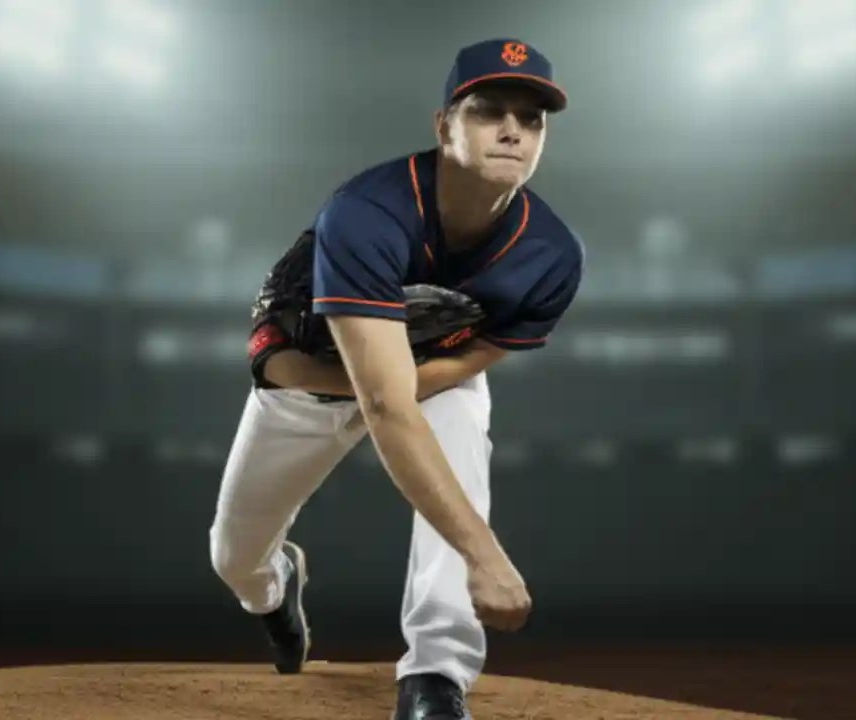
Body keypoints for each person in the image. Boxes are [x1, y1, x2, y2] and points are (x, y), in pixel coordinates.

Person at [208, 37, 583, 719]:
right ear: (444, 126)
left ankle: (436, 676)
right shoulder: (367, 212)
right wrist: (488, 556)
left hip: (427, 377)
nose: (512, 130)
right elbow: (370, 396)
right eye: (488, 110)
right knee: (234, 559)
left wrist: (417, 385)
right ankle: (275, 585)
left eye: (531, 119)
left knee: (462, 425)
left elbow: (476, 358)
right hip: (310, 381)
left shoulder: (552, 253)